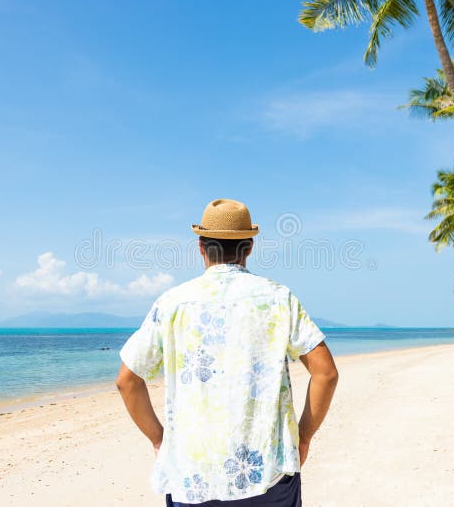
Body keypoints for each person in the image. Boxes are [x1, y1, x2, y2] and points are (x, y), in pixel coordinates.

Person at [116, 198, 338, 506]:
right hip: (268, 474)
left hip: (191, 476)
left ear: (201, 247)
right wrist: (303, 437)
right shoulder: (278, 298)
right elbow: (325, 372)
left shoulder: (171, 303)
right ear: (249, 248)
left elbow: (127, 380)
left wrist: (159, 440)